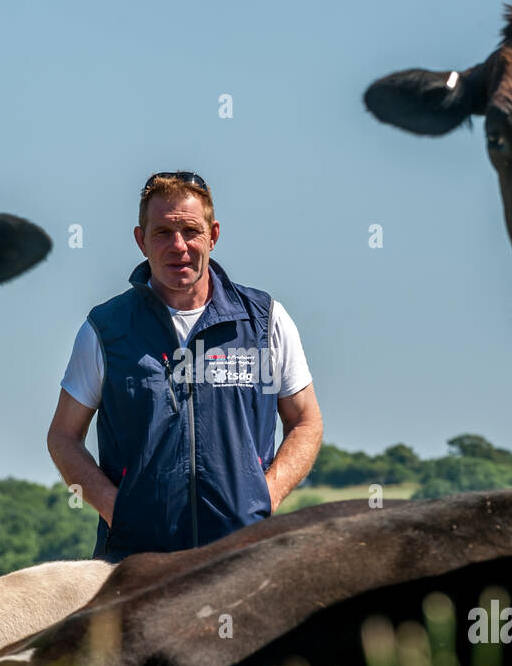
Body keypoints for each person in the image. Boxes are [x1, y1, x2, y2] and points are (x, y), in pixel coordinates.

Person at [47, 171, 323, 561]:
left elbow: (306, 421)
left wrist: (268, 495)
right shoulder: (105, 330)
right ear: (141, 241)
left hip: (240, 555)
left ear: (213, 235)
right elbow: (63, 436)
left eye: (191, 231)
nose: (178, 246)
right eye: (162, 233)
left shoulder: (265, 320)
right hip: (135, 562)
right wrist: (115, 509)